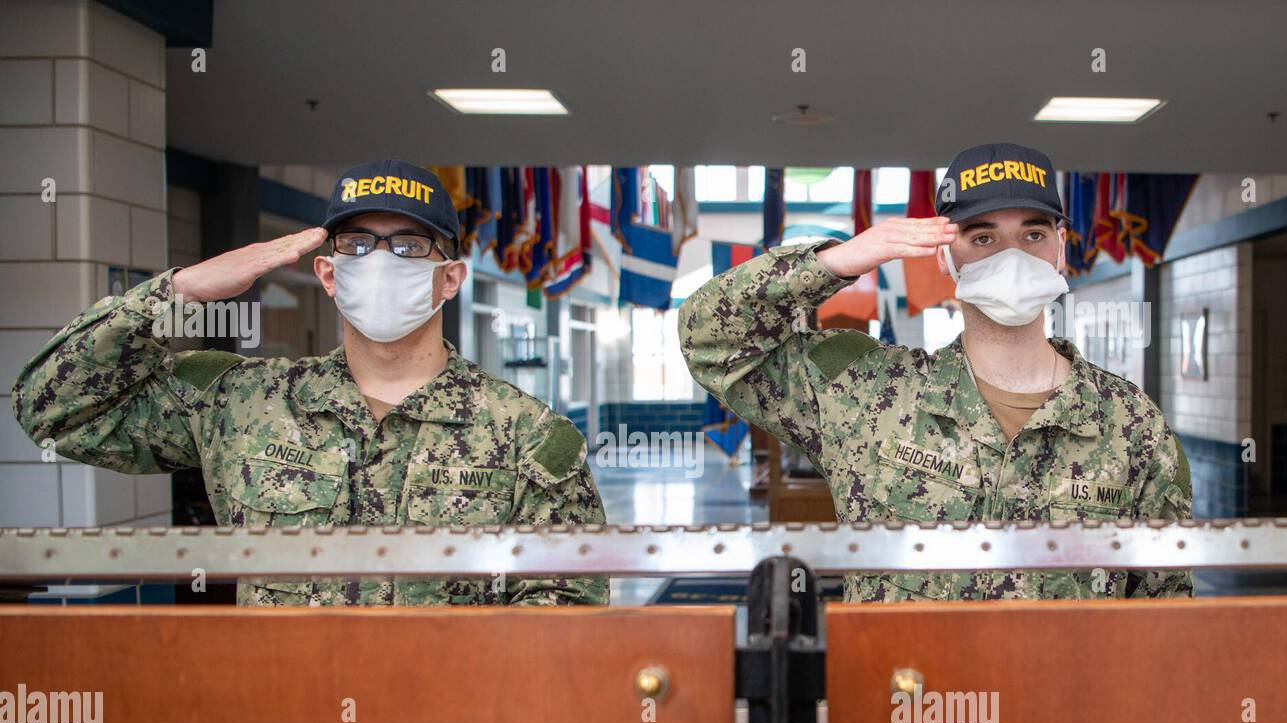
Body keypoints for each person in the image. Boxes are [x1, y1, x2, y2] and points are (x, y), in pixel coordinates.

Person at [12, 160, 608, 607]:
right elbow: (53, 412)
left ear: (449, 278)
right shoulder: (242, 403)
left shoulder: (525, 434)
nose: (380, 262)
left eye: (407, 245)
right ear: (328, 273)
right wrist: (179, 292)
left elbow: (569, 603)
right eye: (356, 245)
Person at [679, 142, 1192, 602]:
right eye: (983, 238)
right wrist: (837, 261)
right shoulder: (866, 393)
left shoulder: (1130, 424)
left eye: (1032, 235)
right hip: (911, 702)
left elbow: (1164, 610)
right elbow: (709, 340)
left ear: (1060, 249)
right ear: (944, 255)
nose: (1011, 257)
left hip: (1063, 704)